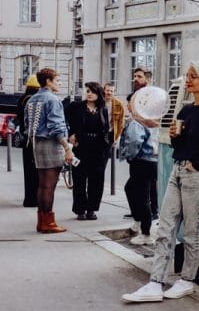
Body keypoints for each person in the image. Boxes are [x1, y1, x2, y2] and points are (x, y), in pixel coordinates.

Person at [123, 61, 199, 302]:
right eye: (187, 76)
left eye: (193, 76)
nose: (188, 80)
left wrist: (198, 164)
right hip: (178, 171)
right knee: (165, 227)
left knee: (192, 232)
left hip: (198, 175)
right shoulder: (186, 110)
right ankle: (155, 282)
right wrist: (175, 137)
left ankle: (186, 280)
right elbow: (181, 146)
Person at [24, 67, 74, 233]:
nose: (59, 83)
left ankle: (42, 220)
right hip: (51, 143)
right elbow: (56, 127)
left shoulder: (31, 99)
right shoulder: (53, 99)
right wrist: (67, 148)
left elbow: (26, 124)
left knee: (42, 185)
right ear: (48, 81)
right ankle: (48, 222)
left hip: (36, 143)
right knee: (49, 185)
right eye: (57, 80)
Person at [67, 82, 111, 220]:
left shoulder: (102, 109)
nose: (89, 93)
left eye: (92, 91)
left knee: (97, 180)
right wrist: (70, 134)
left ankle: (91, 209)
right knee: (79, 179)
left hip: (98, 148)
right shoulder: (76, 107)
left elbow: (106, 128)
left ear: (99, 94)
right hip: (81, 146)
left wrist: (109, 142)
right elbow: (64, 121)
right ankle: (80, 210)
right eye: (87, 91)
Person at [120, 92, 158, 245]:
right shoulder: (153, 119)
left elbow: (134, 141)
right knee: (132, 189)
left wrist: (129, 155)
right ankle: (139, 221)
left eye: (130, 102)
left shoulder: (137, 121)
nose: (128, 105)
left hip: (141, 161)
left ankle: (146, 233)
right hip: (152, 161)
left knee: (142, 197)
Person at [130, 67, 158, 219]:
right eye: (135, 76)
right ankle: (143, 214)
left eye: (139, 76)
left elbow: (152, 122)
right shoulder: (137, 94)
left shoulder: (151, 95)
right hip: (139, 148)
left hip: (147, 148)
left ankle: (149, 215)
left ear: (147, 79)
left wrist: (138, 119)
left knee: (145, 186)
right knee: (136, 187)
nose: (135, 79)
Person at [16, 74, 40, 207]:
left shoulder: (22, 98)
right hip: (31, 139)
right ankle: (32, 199)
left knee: (28, 170)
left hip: (25, 138)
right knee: (34, 171)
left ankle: (29, 198)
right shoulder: (32, 100)